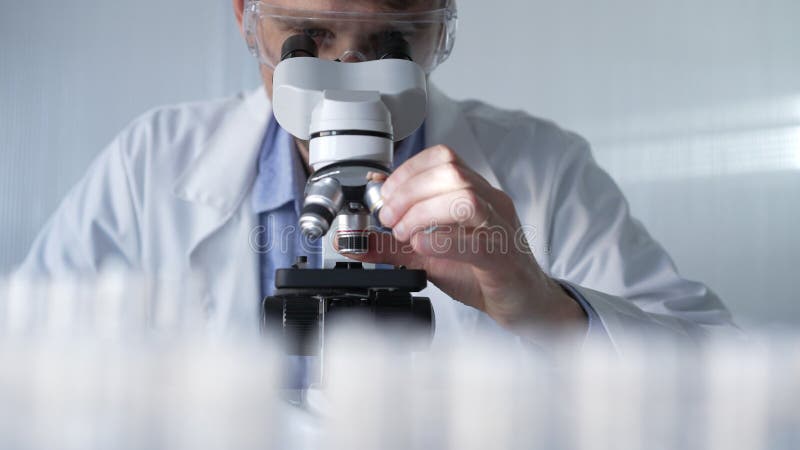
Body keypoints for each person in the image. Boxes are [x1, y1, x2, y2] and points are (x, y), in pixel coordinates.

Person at [17, 0, 735, 352]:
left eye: (393, 40)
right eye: (310, 37)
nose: (349, 72)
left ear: (441, 29)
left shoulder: (542, 167)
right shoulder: (153, 161)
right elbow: (24, 360)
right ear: (246, 17)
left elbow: (716, 374)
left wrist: (542, 303)